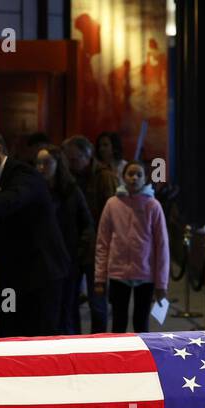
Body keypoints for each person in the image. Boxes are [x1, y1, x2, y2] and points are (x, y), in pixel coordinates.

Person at [0, 128, 70, 337]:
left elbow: (15, 198)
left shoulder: (23, 174)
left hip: (40, 280)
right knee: (11, 331)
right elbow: (3, 229)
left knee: (40, 338)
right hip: (12, 283)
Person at [94, 160, 169, 334]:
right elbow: (102, 242)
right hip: (118, 273)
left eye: (139, 174)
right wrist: (99, 277)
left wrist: (161, 283)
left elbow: (162, 246)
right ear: (123, 177)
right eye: (130, 174)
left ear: (145, 179)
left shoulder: (153, 206)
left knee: (141, 322)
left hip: (145, 274)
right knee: (118, 321)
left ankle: (142, 357)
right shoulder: (112, 204)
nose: (134, 178)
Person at [63, 135, 119, 333]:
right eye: (67, 159)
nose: (70, 163)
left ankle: (98, 347)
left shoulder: (105, 177)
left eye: (74, 159)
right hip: (73, 246)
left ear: (87, 156)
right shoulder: (68, 177)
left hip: (97, 248)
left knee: (97, 303)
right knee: (70, 302)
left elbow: (113, 215)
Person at [37, 145, 93, 335]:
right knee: (47, 311)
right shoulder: (36, 191)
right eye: (38, 163)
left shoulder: (71, 191)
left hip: (69, 260)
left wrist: (78, 252)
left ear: (58, 164)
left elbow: (86, 223)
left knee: (68, 309)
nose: (41, 167)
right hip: (44, 261)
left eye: (46, 163)